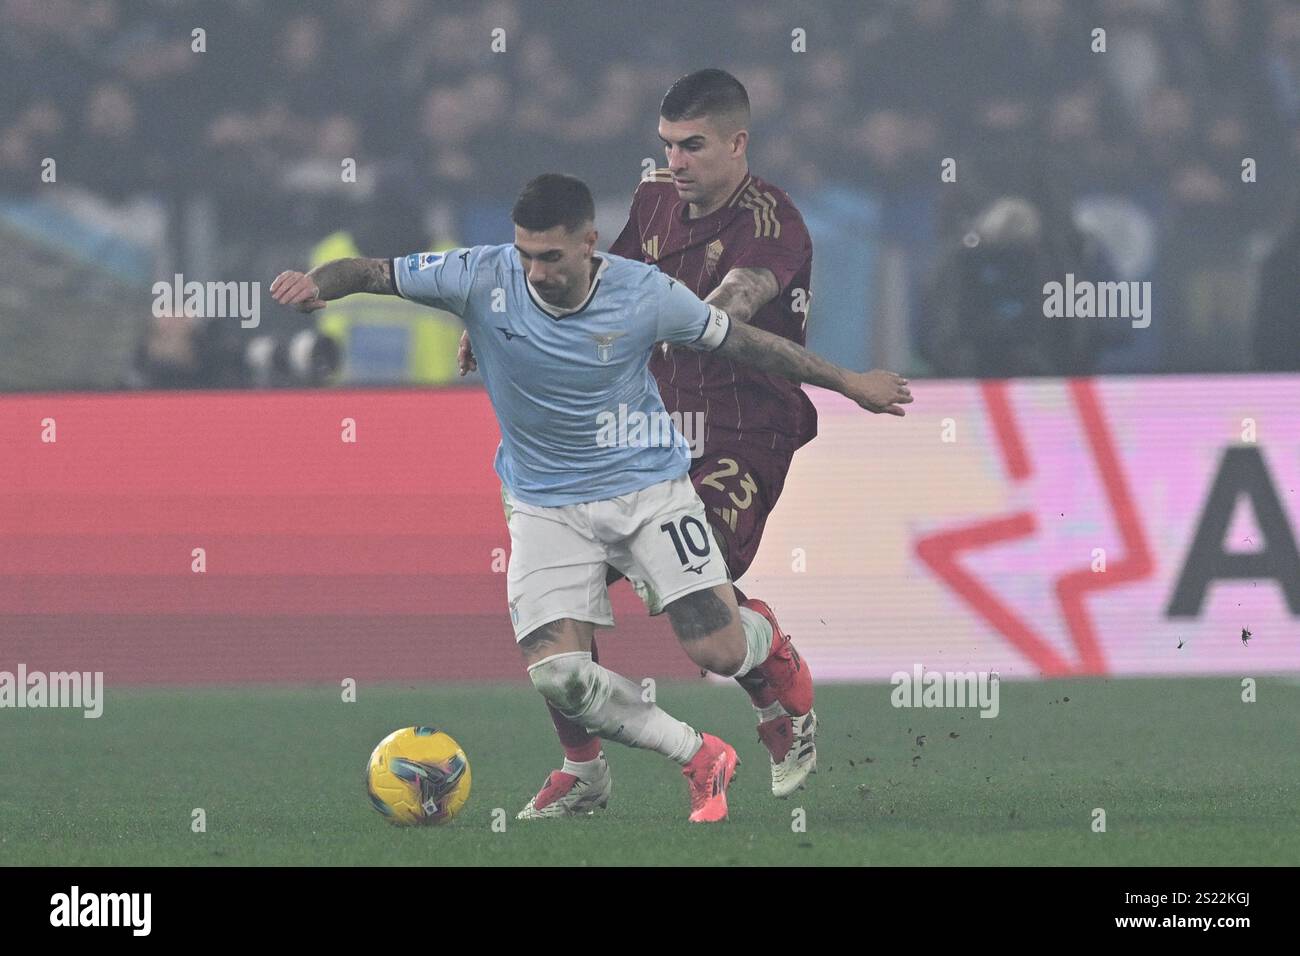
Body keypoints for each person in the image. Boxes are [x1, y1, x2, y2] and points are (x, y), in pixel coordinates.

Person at [273, 173, 911, 822]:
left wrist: (850, 381)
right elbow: (369, 271)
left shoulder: (644, 294)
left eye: (551, 257)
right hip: (545, 502)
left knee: (716, 652)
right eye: (525, 254)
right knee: (559, 674)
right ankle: (684, 758)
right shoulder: (480, 274)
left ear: (589, 244)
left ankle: (768, 644)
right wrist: (314, 285)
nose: (535, 271)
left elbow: (744, 343)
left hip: (647, 491)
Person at [459, 70, 911, 815]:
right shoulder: (653, 201)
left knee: (705, 634)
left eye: (692, 146)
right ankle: (583, 768)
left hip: (744, 431)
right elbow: (602, 279)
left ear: (737, 143)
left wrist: (846, 381)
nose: (676, 161)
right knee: (555, 609)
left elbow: (726, 315)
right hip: (649, 432)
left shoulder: (775, 223)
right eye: (667, 145)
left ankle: (776, 667)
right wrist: (511, 327)